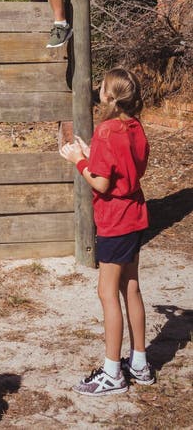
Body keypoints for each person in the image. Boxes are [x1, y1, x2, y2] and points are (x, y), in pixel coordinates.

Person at [60, 68, 154, 396]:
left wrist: (78, 160)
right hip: (136, 216)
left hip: (114, 221)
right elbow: (126, 167)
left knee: (106, 292)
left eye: (102, 86)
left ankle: (113, 371)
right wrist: (91, 155)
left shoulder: (105, 131)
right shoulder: (135, 127)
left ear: (109, 97)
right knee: (132, 289)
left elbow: (100, 181)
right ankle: (140, 364)